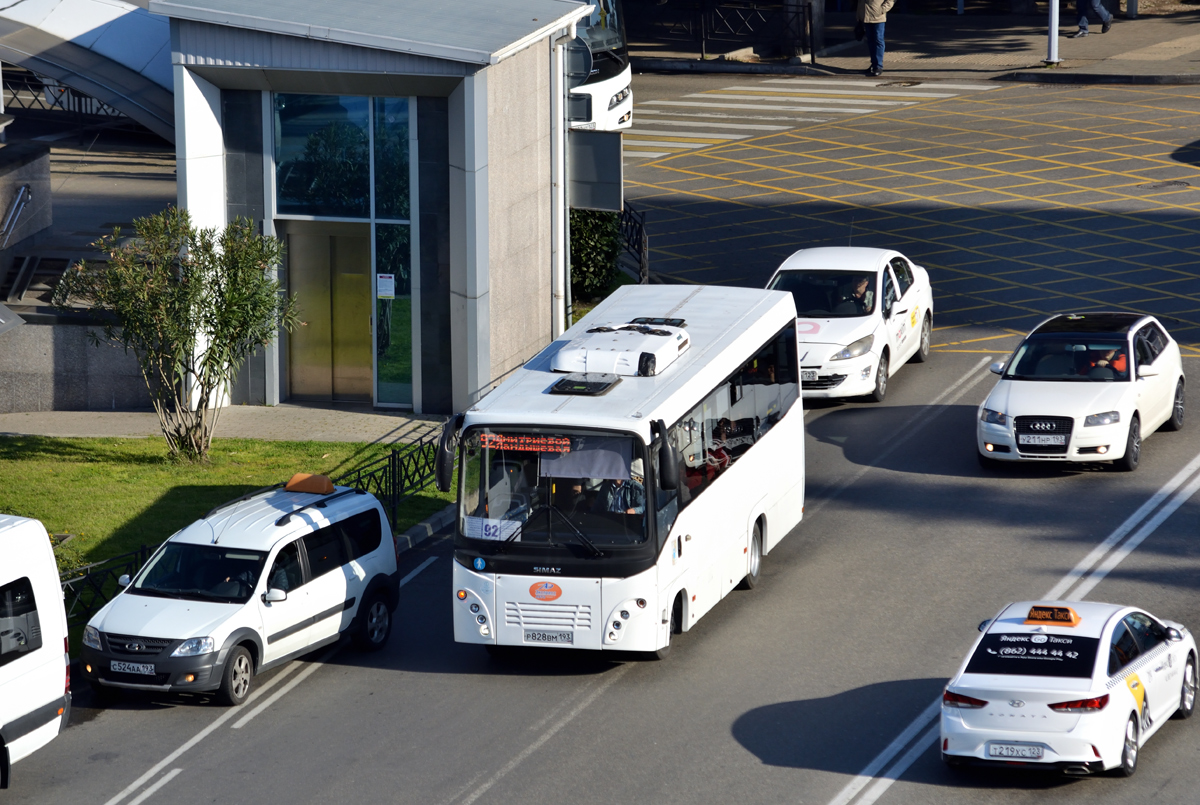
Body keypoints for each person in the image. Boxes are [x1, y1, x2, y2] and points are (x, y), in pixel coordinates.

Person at [856, 0, 895, 77]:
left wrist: (882, 9)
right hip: (865, 15)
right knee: (871, 41)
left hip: (878, 17)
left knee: (878, 40)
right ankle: (874, 64)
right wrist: (859, 16)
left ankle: (878, 66)